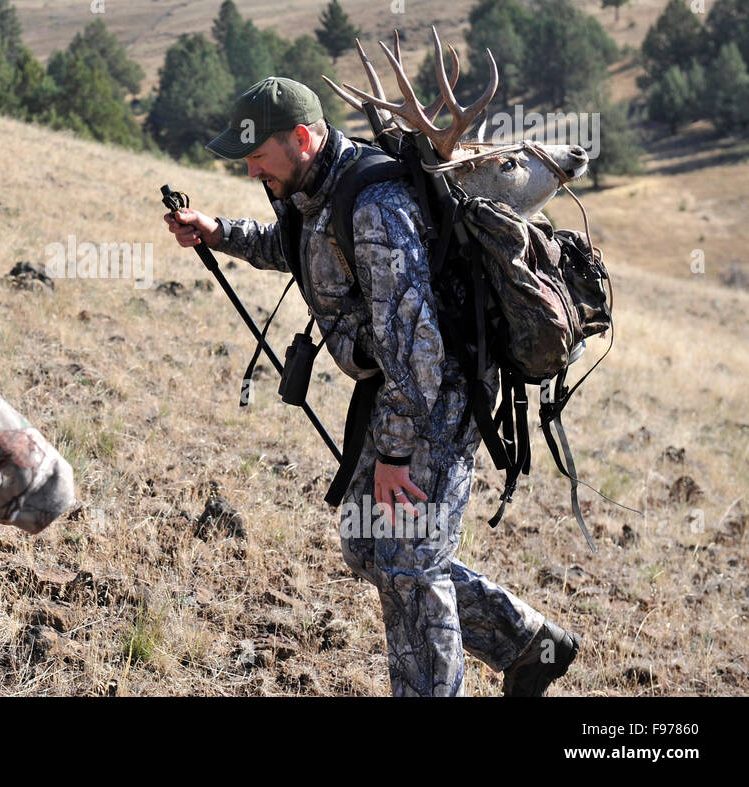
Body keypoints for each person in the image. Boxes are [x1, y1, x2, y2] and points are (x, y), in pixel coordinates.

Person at [163, 76, 580, 696]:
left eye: (256, 158)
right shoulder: (318, 192)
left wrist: (394, 454)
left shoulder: (374, 207)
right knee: (367, 543)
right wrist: (220, 232)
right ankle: (530, 645)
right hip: (399, 395)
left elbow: (417, 350)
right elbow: (302, 249)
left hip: (437, 401)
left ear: (302, 139)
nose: (251, 172)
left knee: (408, 567)